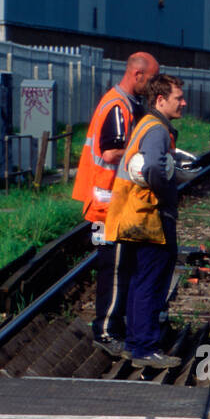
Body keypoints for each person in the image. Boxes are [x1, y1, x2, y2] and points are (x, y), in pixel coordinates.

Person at [72, 51, 159, 354]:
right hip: (108, 201)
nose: (153, 86)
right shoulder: (117, 107)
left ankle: (114, 325)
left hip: (114, 200)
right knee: (115, 269)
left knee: (121, 267)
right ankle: (106, 331)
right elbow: (110, 153)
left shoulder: (125, 103)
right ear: (137, 75)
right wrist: (145, 152)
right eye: (151, 80)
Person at [106, 73, 186, 370]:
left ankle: (134, 343)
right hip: (149, 216)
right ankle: (145, 347)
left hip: (133, 215)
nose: (183, 102)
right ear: (160, 100)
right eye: (178, 98)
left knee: (140, 280)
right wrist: (166, 194)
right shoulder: (157, 130)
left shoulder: (146, 123)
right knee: (151, 282)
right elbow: (152, 166)